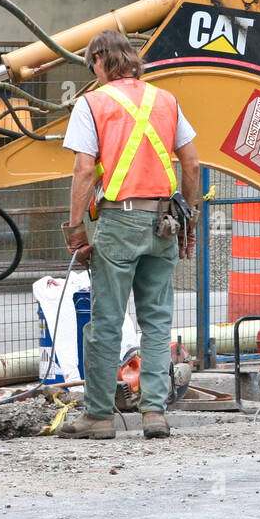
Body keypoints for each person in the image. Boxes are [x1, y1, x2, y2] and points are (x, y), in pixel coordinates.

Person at [58, 30, 200, 440]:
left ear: (100, 59)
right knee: (156, 322)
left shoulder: (92, 103)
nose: (93, 73)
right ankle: (154, 412)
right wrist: (186, 213)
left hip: (118, 223)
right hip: (164, 223)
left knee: (106, 322)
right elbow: (191, 165)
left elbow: (85, 170)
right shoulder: (166, 100)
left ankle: (100, 416)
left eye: (91, 66)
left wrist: (74, 231)